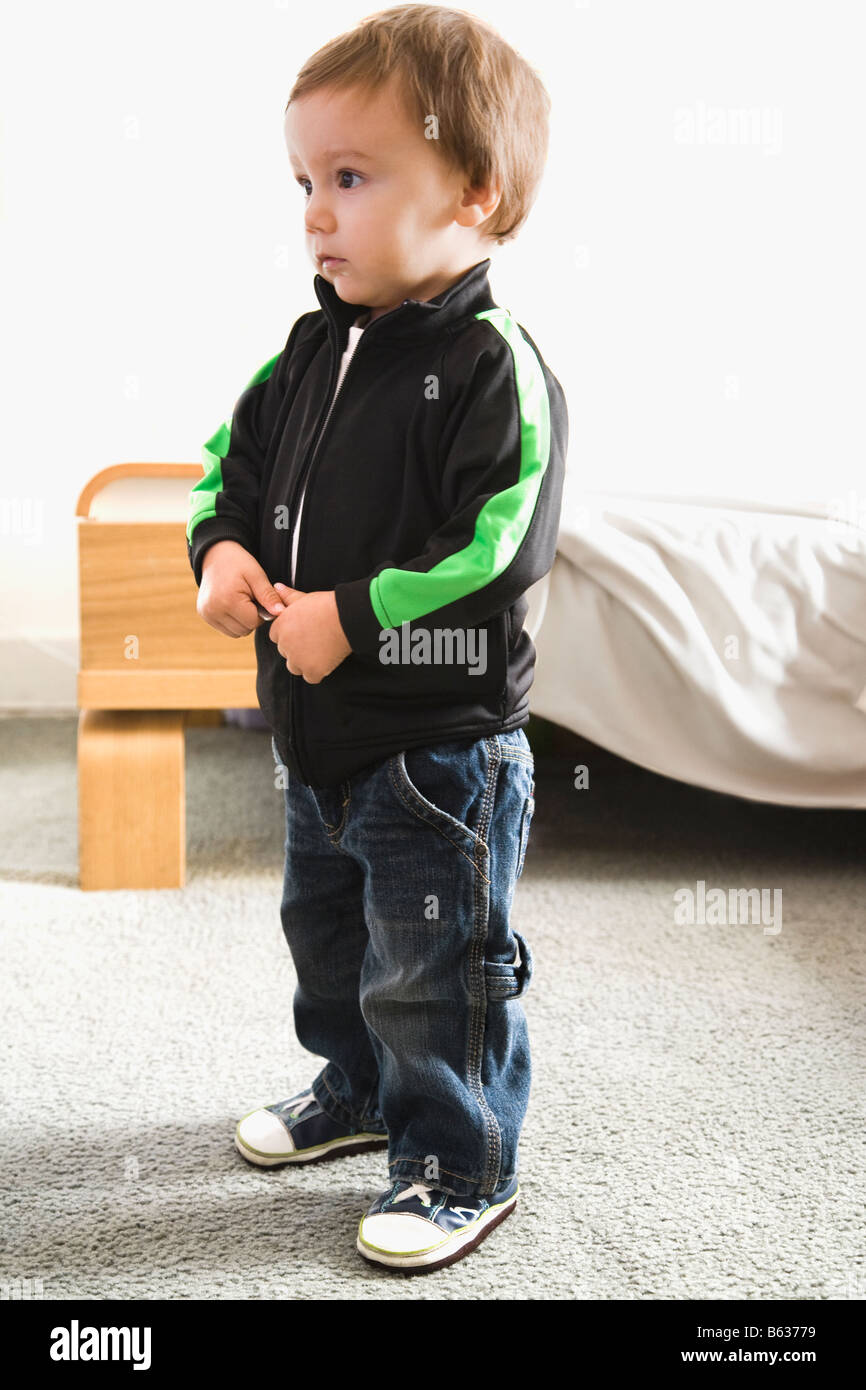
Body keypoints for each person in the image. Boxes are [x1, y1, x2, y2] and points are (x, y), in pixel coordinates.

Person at [187, 3, 568, 1273]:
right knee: (332, 940)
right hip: (317, 742)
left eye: (350, 178)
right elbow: (225, 469)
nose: (315, 212)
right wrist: (220, 551)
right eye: (303, 181)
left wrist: (352, 617)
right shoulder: (304, 353)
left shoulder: (491, 366)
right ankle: (355, 1088)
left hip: (437, 748)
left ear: (474, 189)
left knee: (434, 964)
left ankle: (458, 1159)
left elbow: (496, 542)